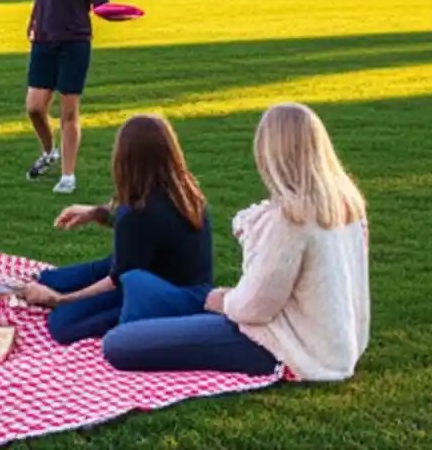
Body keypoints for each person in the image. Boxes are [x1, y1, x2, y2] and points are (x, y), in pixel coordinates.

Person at [102, 102, 370, 381]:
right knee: (159, 294)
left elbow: (255, 308)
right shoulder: (344, 206)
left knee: (119, 343)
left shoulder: (292, 219)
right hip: (329, 344)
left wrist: (225, 301)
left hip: (282, 346)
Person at [19, 114, 214, 345]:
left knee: (62, 323)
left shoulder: (138, 214)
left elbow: (118, 279)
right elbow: (149, 231)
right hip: (186, 284)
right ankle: (36, 285)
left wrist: (59, 300)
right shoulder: (183, 193)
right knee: (49, 278)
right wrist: (97, 213)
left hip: (163, 297)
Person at [24, 0, 109, 194]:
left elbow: (102, 4)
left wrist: (118, 14)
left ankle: (68, 175)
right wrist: (32, 23)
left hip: (74, 43)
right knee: (34, 107)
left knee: (68, 113)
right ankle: (50, 152)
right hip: (44, 42)